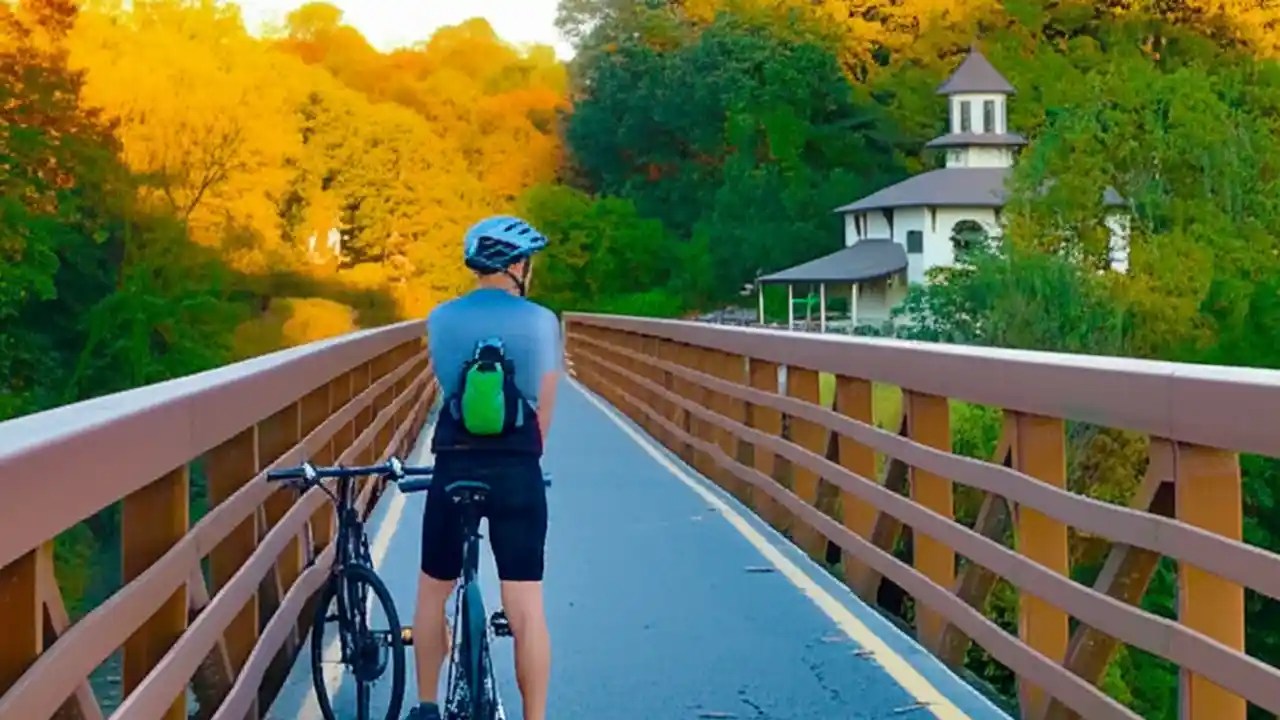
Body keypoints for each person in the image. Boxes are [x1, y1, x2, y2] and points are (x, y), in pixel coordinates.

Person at [406, 215, 562, 720]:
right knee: (526, 608)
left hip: (456, 467)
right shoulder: (542, 322)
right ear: (516, 265)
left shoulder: (441, 319)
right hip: (517, 472)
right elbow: (545, 413)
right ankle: (534, 717)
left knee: (434, 592)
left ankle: (427, 704)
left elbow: (448, 390)